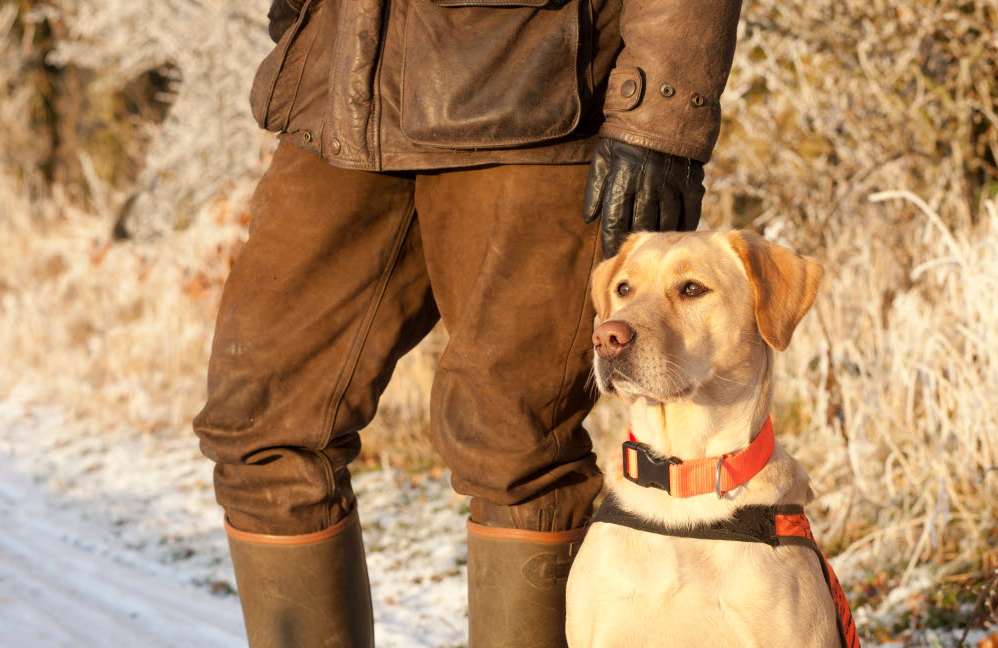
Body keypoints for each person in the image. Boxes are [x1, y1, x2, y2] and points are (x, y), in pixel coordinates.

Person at [193, 0, 742, 644]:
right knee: (259, 424)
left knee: (515, 443)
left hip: (532, 91)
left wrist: (663, 113)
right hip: (339, 88)